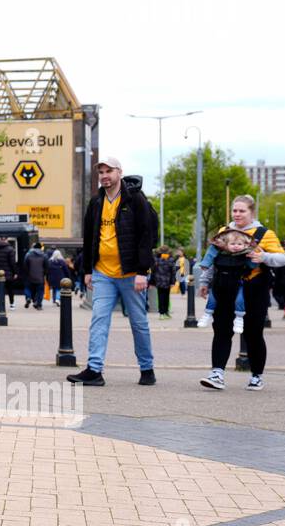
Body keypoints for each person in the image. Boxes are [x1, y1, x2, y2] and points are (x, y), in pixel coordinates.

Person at [68, 158, 157, 387]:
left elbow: (147, 234)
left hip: (130, 274)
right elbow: (89, 238)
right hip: (102, 273)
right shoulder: (96, 201)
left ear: (120, 173)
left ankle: (147, 368)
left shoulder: (135, 199)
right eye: (102, 172)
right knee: (98, 320)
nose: (105, 175)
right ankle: (94, 369)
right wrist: (87, 270)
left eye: (110, 171)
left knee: (138, 322)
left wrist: (142, 271)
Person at [196, 196, 285, 391]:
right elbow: (213, 259)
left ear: (251, 212)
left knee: (253, 334)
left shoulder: (264, 234)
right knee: (221, 331)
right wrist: (204, 282)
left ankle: (256, 376)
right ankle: (217, 374)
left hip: (253, 290)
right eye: (234, 211)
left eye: (241, 211)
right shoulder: (224, 232)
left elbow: (282, 259)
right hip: (224, 287)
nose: (237, 214)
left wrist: (263, 257)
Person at [0, 238, 17, 310]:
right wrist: (15, 272)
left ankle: (0, 305)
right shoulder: (10, 249)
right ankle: (12, 304)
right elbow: (12, 263)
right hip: (8, 273)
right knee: (10, 289)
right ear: (6, 241)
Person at [151, 246, 176, 318]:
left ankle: (161, 313)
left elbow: (153, 271)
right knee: (166, 297)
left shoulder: (156, 259)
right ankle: (166, 312)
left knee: (160, 297)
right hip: (167, 281)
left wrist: (152, 282)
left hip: (158, 281)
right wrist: (172, 282)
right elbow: (173, 272)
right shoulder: (170, 259)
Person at [22, 242, 47, 309]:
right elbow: (46, 266)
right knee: (40, 291)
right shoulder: (44, 255)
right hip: (40, 276)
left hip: (29, 276)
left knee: (27, 288)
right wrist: (44, 274)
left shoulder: (28, 255)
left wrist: (27, 273)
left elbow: (25, 265)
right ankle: (38, 304)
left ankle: (28, 297)